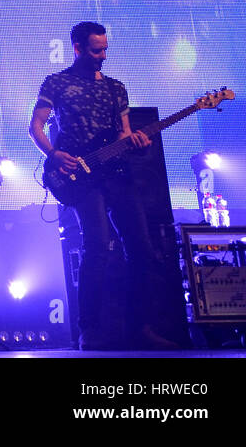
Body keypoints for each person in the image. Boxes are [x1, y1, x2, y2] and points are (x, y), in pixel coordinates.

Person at [28, 21, 174, 350]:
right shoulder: (57, 83)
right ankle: (88, 330)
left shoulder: (116, 88)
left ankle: (141, 327)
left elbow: (123, 134)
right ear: (78, 48)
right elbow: (35, 125)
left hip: (117, 173)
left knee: (142, 248)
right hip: (80, 173)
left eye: (106, 49)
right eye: (96, 50)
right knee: (98, 246)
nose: (103, 56)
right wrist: (53, 154)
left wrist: (136, 140)